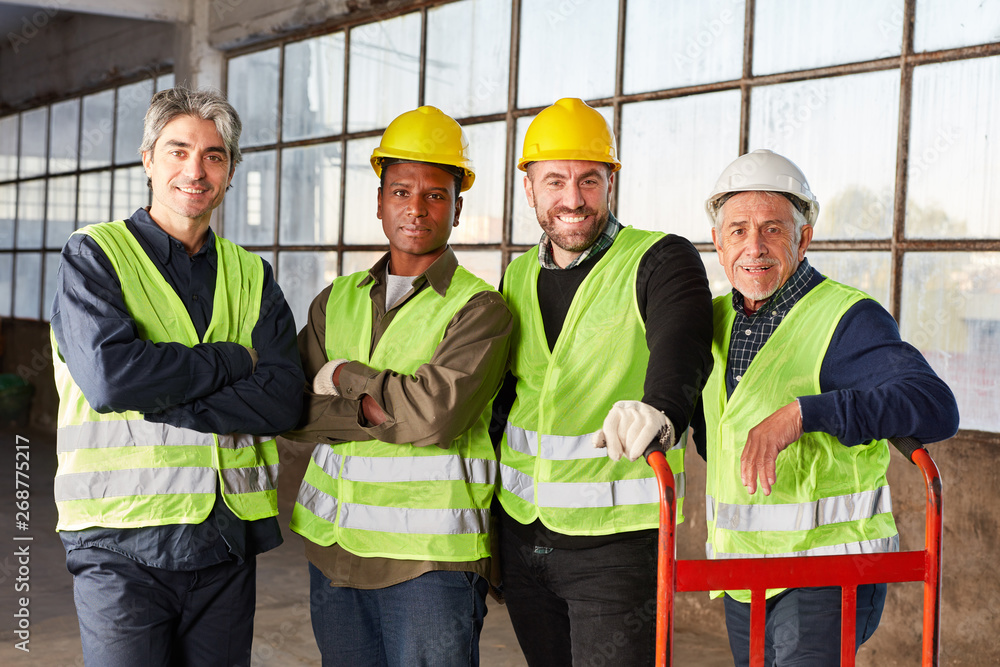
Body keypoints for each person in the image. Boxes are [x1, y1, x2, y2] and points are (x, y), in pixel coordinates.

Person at [49, 87, 305, 666]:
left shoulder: (250, 274)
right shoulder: (94, 257)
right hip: (119, 544)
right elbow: (112, 380)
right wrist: (235, 361)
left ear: (231, 172)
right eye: (178, 150)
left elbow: (286, 398)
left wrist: (167, 399)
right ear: (148, 159)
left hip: (226, 540)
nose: (195, 169)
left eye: (214, 156)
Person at [694, 148, 960, 665]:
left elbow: (934, 406)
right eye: (739, 230)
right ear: (718, 244)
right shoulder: (711, 322)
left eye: (773, 228)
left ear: (804, 237)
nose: (755, 246)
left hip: (827, 573)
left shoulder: (846, 319)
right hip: (743, 573)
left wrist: (805, 413)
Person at [283, 105, 512, 667]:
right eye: (401, 191)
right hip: (333, 555)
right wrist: (384, 409)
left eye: (436, 194)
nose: (416, 208)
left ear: (458, 209)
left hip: (429, 567)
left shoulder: (480, 309)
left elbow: (434, 418)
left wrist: (342, 378)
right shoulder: (335, 300)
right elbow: (289, 406)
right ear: (380, 201)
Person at [492, 97, 714, 665]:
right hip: (521, 536)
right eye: (555, 181)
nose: (572, 199)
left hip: (616, 551)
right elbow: (504, 404)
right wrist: (491, 529)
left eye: (589, 180)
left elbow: (684, 346)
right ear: (529, 187)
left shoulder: (660, 260)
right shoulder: (516, 275)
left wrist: (661, 409)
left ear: (611, 181)